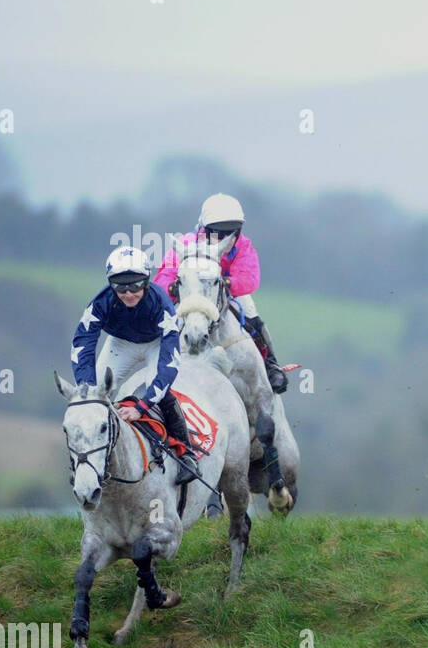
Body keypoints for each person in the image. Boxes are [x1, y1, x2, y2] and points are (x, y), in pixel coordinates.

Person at [72, 246, 195, 484]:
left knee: (160, 390)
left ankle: (186, 453)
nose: (129, 293)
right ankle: (90, 459)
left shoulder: (161, 304)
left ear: (147, 280)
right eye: (120, 286)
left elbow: (170, 363)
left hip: (156, 343)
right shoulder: (101, 302)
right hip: (121, 343)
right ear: (110, 285)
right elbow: (82, 344)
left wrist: (141, 406)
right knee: (94, 394)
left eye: (136, 285)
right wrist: (86, 386)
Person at [153, 193, 288, 394]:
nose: (226, 238)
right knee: (161, 318)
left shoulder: (243, 245)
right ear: (204, 229)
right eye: (219, 232)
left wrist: (224, 284)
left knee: (251, 313)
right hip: (191, 294)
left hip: (228, 291)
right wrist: (172, 288)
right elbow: (164, 275)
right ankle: (153, 365)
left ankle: (271, 365)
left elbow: (249, 277)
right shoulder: (186, 245)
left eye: (231, 232)